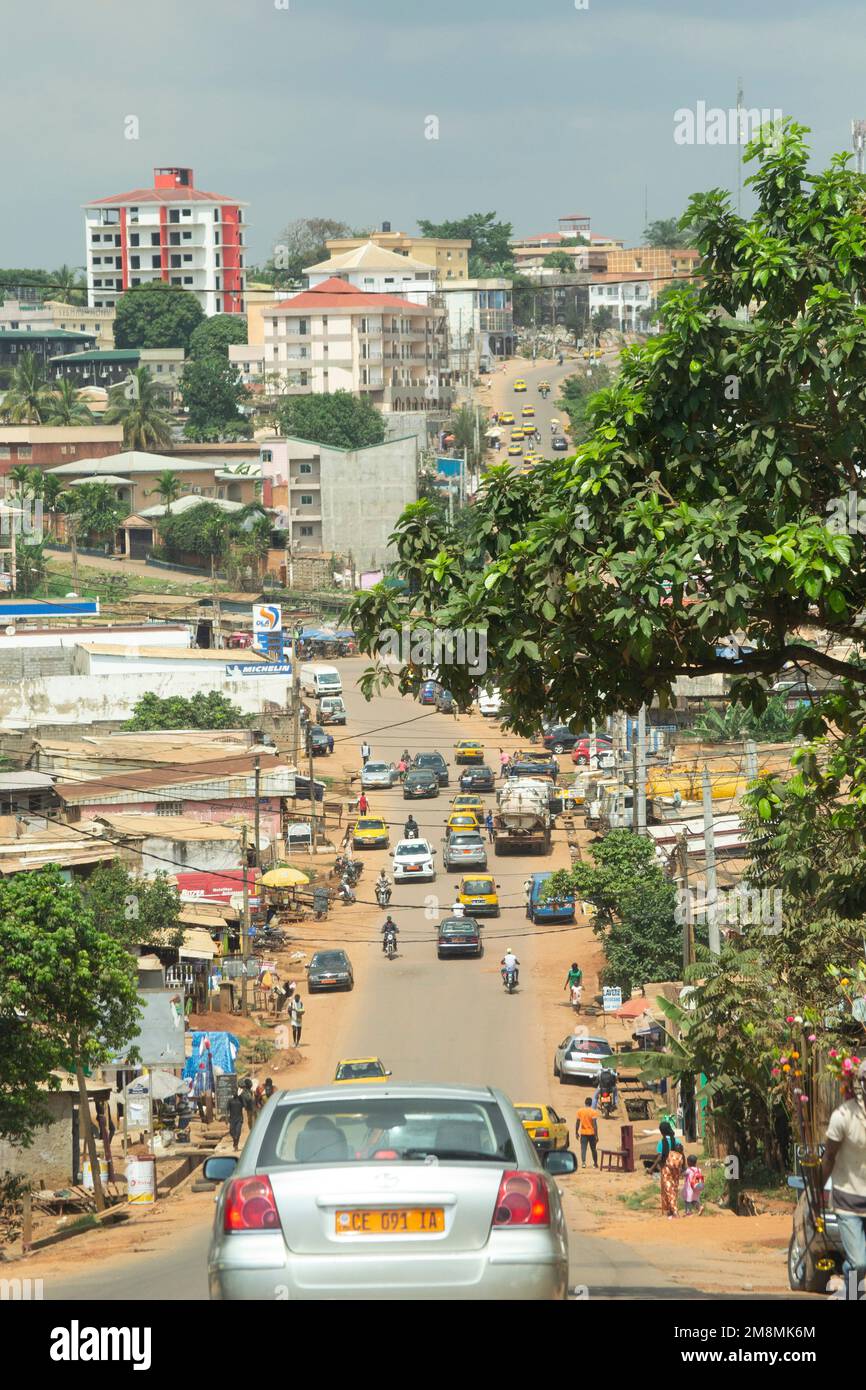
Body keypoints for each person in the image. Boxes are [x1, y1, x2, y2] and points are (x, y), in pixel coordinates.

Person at [822, 1058, 866, 1296]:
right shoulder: (843, 1116)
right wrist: (818, 1190)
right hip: (848, 1199)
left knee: (857, 1264)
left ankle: (850, 1289)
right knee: (860, 1263)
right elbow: (829, 1156)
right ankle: (852, 1289)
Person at [652, 1122, 685, 1217]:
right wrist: (683, 1167)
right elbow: (682, 1154)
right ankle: (670, 1211)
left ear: (662, 1132)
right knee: (674, 1189)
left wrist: (652, 1168)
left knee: (668, 1190)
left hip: (666, 1169)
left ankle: (674, 1211)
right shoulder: (677, 1141)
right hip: (676, 1168)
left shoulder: (661, 1143)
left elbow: (659, 1157)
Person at [576, 1097, 599, 1169]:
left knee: (583, 1149)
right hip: (591, 1133)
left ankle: (583, 1163)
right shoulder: (593, 1112)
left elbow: (577, 1123)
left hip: (583, 1133)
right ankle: (595, 1163)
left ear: (585, 1103)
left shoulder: (580, 1111)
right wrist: (596, 1135)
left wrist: (576, 1132)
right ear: (591, 1103)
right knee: (593, 1149)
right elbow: (595, 1125)